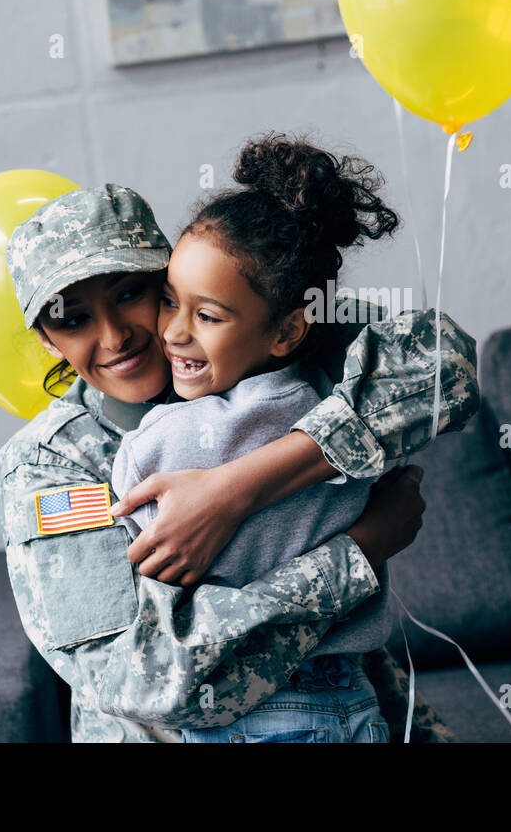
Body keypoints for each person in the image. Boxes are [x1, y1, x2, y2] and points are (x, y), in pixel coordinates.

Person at [0, 163, 480, 742]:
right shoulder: (53, 466)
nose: (115, 337)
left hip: (358, 713)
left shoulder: (261, 352)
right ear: (49, 340)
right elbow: (144, 680)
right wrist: (360, 550)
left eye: (132, 294)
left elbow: (445, 370)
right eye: (73, 321)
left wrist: (236, 489)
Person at [112, 135, 421, 742]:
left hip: (251, 718)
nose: (173, 331)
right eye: (169, 301)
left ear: (286, 331)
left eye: (208, 316)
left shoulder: (162, 442)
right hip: (352, 701)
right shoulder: (336, 405)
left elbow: (134, 537)